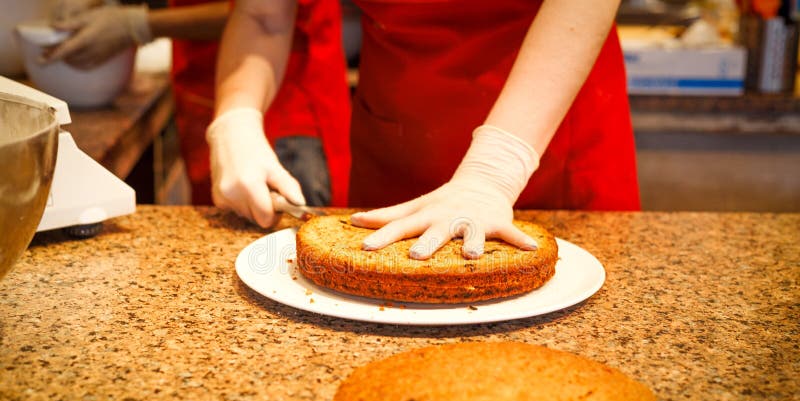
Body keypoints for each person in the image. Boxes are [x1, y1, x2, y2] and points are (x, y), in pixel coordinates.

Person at [208, 0, 639, 260]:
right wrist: (237, 114)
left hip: (545, 128)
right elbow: (264, 16)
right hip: (399, 132)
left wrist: (495, 170)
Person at [44, 0, 351, 210]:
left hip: (288, 112)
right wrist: (234, 120)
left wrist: (142, 24)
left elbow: (270, 14)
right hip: (216, 100)